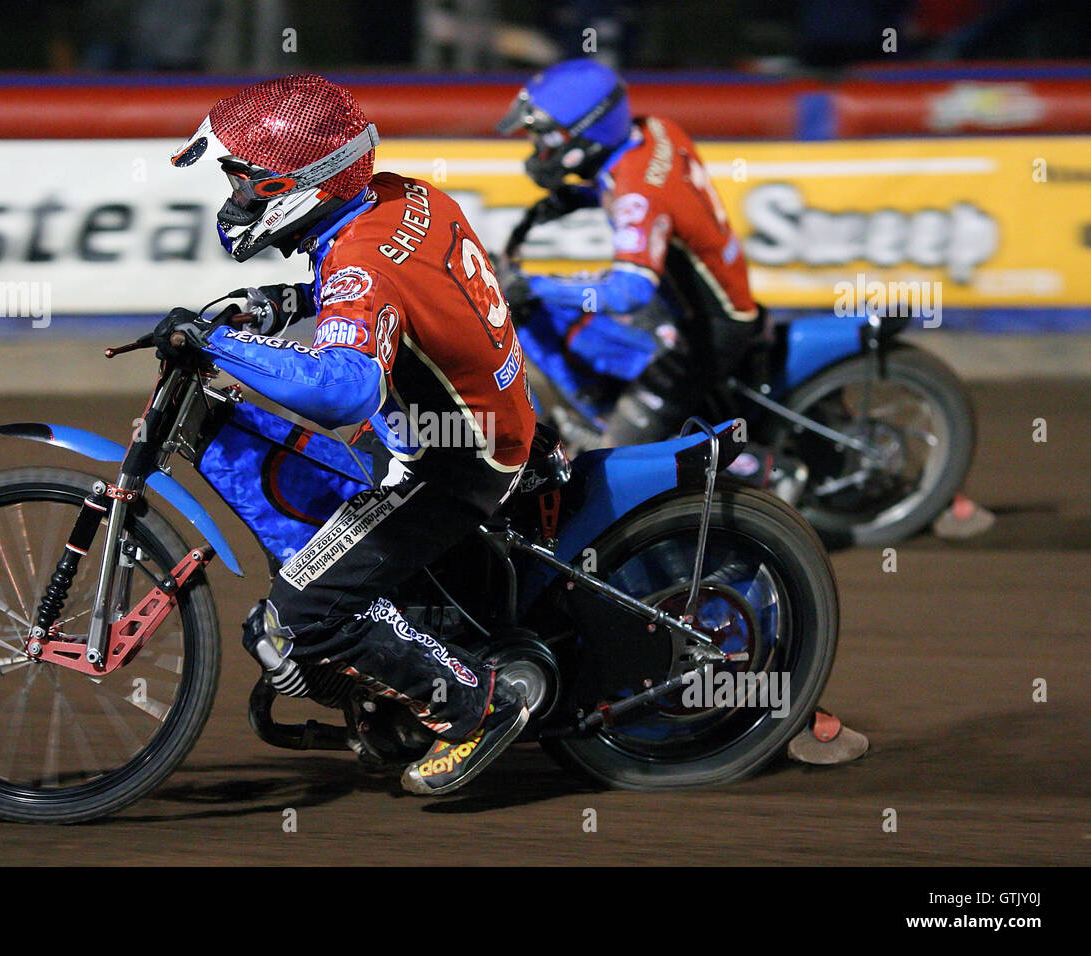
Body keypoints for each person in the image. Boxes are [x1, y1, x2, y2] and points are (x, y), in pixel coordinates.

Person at [154, 74, 537, 796]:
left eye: (244, 183)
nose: (233, 200)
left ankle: (477, 708)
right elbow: (376, 291)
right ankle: (389, 697)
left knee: (304, 611)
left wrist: (215, 343)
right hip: (466, 422)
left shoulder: (360, 258)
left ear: (298, 185)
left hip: (452, 464)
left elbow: (343, 389)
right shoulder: (402, 196)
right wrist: (279, 307)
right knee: (308, 550)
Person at [496, 58, 805, 498]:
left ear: (586, 134)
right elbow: (640, 192)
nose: (538, 149)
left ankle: (768, 473)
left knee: (615, 465)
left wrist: (536, 286)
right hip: (699, 298)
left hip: (706, 329)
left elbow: (628, 291)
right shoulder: (653, 130)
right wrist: (581, 197)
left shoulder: (639, 196)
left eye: (546, 138)